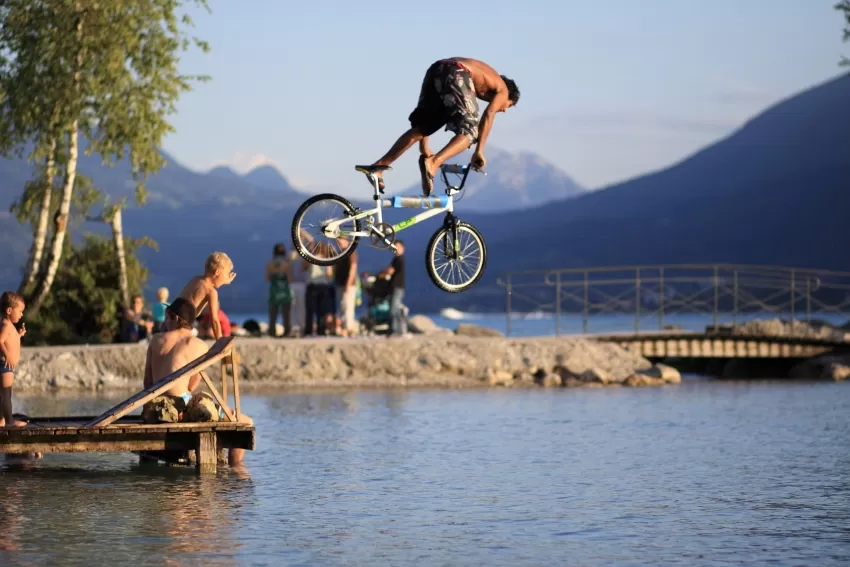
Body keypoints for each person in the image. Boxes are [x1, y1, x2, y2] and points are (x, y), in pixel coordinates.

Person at [366, 57, 520, 195]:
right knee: (470, 131)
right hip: (457, 71)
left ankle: (379, 166)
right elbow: (489, 115)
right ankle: (434, 162)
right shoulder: (503, 90)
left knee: (425, 124)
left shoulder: (487, 77)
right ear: (509, 96)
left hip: (436, 68)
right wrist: (479, 151)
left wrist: (424, 148)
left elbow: (423, 120)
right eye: (509, 105)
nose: (505, 109)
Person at [143, 298, 253, 466]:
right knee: (246, 422)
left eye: (167, 317)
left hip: (157, 407)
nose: (165, 322)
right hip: (180, 407)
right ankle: (236, 469)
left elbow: (148, 382)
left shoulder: (156, 340)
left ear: (176, 319)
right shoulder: (198, 345)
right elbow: (192, 385)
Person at [177, 252, 236, 340]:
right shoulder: (212, 292)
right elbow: (214, 320)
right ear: (217, 272)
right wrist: (219, 342)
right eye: (226, 274)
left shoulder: (196, 279)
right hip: (183, 323)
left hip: (171, 313)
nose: (226, 278)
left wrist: (225, 281)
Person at [0, 292, 26, 428]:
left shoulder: (10, 326)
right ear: (9, 310)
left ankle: (1, 420)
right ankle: (9, 421)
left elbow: (11, 340)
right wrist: (8, 355)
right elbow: (0, 341)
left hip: (6, 365)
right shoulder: (5, 325)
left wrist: (19, 334)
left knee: (3, 394)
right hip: (5, 365)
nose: (22, 314)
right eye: (20, 311)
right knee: (6, 394)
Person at [378, 240, 408, 337]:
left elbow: (390, 270)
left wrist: (380, 275)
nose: (396, 249)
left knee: (394, 309)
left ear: (403, 248)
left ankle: (396, 330)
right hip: (396, 287)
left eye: (398, 247)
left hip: (398, 287)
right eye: (395, 247)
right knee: (395, 309)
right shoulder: (397, 259)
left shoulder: (399, 259)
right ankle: (397, 329)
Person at [266, 243, 293, 337]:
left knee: (273, 313)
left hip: (274, 290)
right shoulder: (287, 264)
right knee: (286, 313)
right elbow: (290, 279)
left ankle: (272, 331)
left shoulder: (270, 264)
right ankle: (287, 331)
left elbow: (267, 278)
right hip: (284, 290)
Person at [333, 237, 358, 337]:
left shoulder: (351, 252)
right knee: (342, 307)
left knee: (348, 306)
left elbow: (353, 268)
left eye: (341, 240)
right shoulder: (339, 253)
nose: (339, 242)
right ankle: (344, 327)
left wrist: (348, 283)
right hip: (339, 283)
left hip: (348, 284)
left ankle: (348, 328)